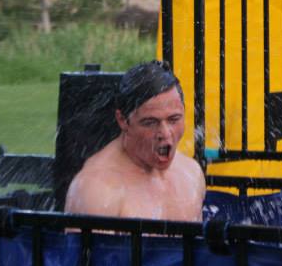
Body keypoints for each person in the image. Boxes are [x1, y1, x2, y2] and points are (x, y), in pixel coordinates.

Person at [64, 60, 205, 221]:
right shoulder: (96, 190)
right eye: (150, 122)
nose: (165, 134)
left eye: (174, 119)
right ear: (123, 120)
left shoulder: (191, 173)